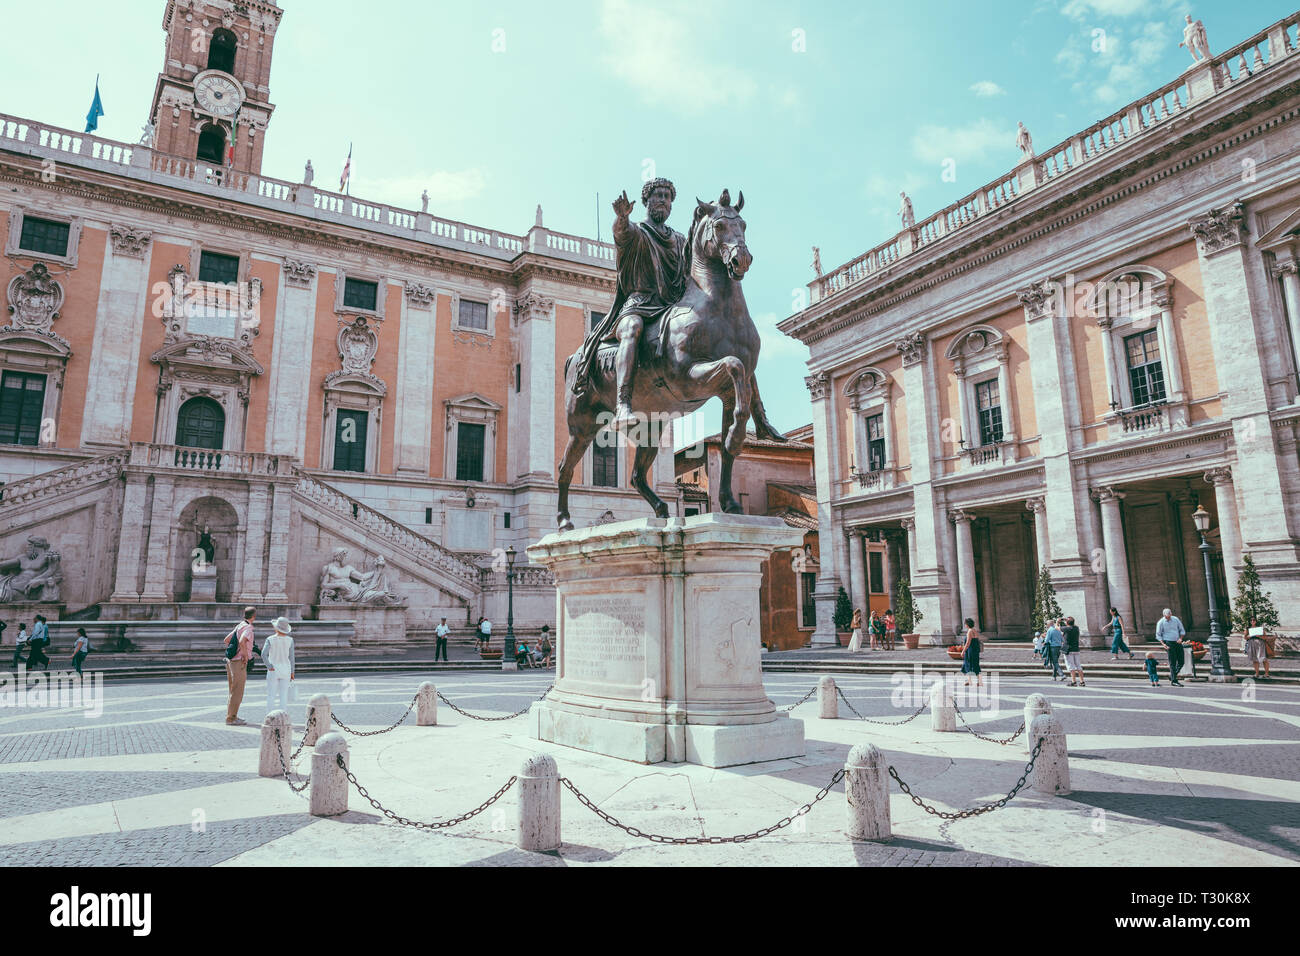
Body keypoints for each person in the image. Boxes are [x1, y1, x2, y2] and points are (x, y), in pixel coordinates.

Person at [223, 607, 258, 726]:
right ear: (254, 616)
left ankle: (231, 716)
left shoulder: (240, 625)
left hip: (230, 661)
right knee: (238, 691)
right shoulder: (248, 628)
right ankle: (231, 718)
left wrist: (236, 650)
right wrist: (244, 655)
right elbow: (243, 641)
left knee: (233, 690)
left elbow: (227, 640)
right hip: (238, 662)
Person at [261, 617, 296, 713]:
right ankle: (283, 715)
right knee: (283, 695)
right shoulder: (290, 640)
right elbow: (292, 658)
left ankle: (269, 715)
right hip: (286, 669)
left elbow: (263, 654)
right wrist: (292, 672)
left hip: (274, 669)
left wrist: (269, 666)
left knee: (271, 695)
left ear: (276, 628)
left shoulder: (270, 639)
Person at [1155, 608, 1188, 687]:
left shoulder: (1176, 619)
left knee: (1181, 661)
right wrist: (1163, 644)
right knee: (1172, 662)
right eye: (1167, 616)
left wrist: (1181, 638)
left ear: (1171, 614)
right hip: (1168, 642)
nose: (1168, 618)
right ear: (1164, 615)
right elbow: (1158, 634)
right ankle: (1174, 681)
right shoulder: (1161, 622)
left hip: (1177, 641)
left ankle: (1172, 676)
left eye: (1169, 616)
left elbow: (1182, 630)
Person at [960, 617, 982, 687]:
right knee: (975, 665)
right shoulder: (975, 631)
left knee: (967, 665)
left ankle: (969, 681)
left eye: (965, 624)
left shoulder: (969, 631)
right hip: (975, 651)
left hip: (970, 651)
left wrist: (963, 651)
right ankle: (978, 681)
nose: (965, 625)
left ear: (967, 624)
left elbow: (968, 643)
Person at [1063, 616, 1085, 687]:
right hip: (1076, 649)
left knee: (1071, 666)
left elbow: (1057, 627)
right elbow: (1072, 624)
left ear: (1067, 623)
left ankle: (1074, 681)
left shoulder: (1066, 628)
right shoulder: (1076, 628)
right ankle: (1082, 681)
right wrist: (1069, 621)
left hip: (1069, 650)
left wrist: (1058, 621)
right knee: (1078, 666)